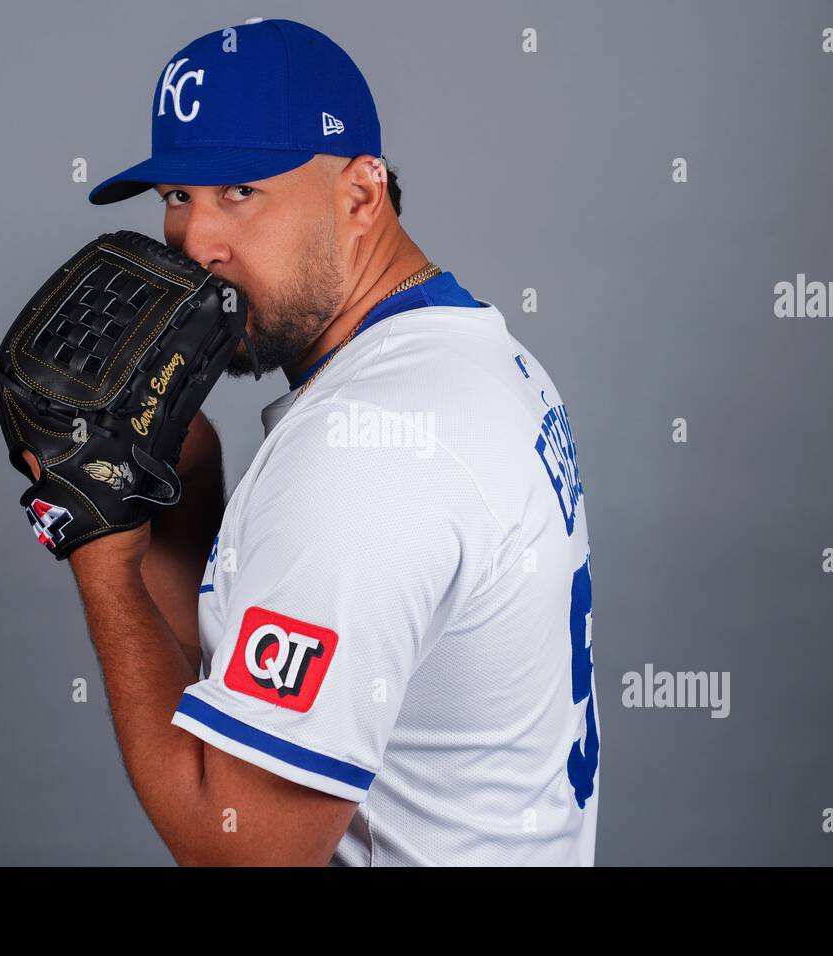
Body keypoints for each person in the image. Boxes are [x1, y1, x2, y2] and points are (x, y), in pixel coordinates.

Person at [32, 17, 599, 865]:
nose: (197, 244)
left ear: (361, 195)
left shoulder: (364, 458)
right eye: (177, 197)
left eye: (241, 193)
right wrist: (185, 475)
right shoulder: (472, 354)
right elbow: (231, 691)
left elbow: (243, 851)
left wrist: (101, 558)